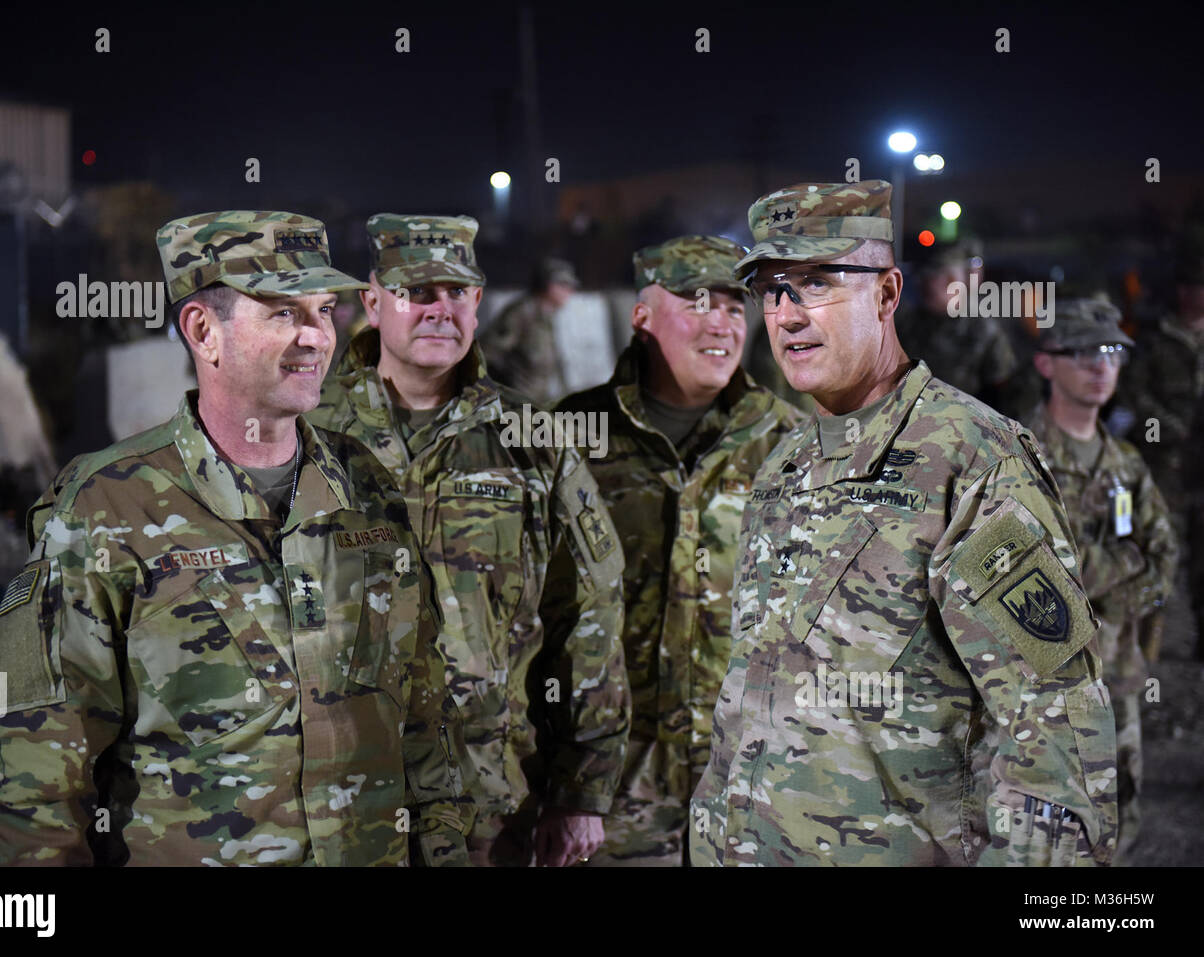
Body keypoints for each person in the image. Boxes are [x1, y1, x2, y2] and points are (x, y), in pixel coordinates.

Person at [0, 211, 471, 866]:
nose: (317, 337)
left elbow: (427, 723)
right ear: (204, 331)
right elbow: (27, 780)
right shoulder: (103, 508)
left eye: (324, 311)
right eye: (284, 313)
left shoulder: (367, 490)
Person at [690, 181, 1120, 866]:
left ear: (887, 294)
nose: (787, 315)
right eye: (772, 289)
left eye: (817, 282)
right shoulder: (782, 467)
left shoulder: (972, 459)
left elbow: (1056, 722)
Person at [306, 214, 629, 867]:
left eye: (456, 292)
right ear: (372, 303)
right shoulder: (303, 432)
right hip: (333, 805)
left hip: (488, 802)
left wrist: (582, 789)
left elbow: (588, 610)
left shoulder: (531, 439)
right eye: (417, 292)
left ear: (478, 303)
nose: (439, 310)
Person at [557, 235, 803, 865]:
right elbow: (542, 615)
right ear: (642, 315)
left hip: (757, 786)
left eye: (733, 306)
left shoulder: (791, 443)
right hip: (615, 791)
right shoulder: (572, 437)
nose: (721, 322)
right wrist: (570, 781)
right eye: (698, 302)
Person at [1023, 296, 1178, 858]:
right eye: (1084, 351)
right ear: (1046, 363)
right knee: (1038, 828)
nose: (1100, 366)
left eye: (1111, 351)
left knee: (1119, 817)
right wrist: (1122, 562)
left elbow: (1164, 557)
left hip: (1118, 675)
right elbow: (1031, 577)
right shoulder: (1017, 457)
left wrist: (1105, 593)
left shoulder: (1127, 465)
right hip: (1035, 689)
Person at [1118, 231, 1204, 659]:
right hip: (1164, 463)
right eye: (1190, 288)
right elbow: (1135, 393)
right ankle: (1146, 641)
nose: (1196, 296)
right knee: (1158, 551)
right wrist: (1174, 427)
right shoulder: (1155, 338)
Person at [894, 240, 1019, 413]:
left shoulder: (982, 331)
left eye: (930, 278)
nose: (921, 285)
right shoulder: (910, 323)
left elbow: (1005, 393)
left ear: (951, 281)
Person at [477, 257, 581, 404]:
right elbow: (487, 353)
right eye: (563, 285)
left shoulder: (545, 317)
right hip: (515, 407)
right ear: (547, 285)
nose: (569, 291)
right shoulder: (522, 313)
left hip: (534, 405)